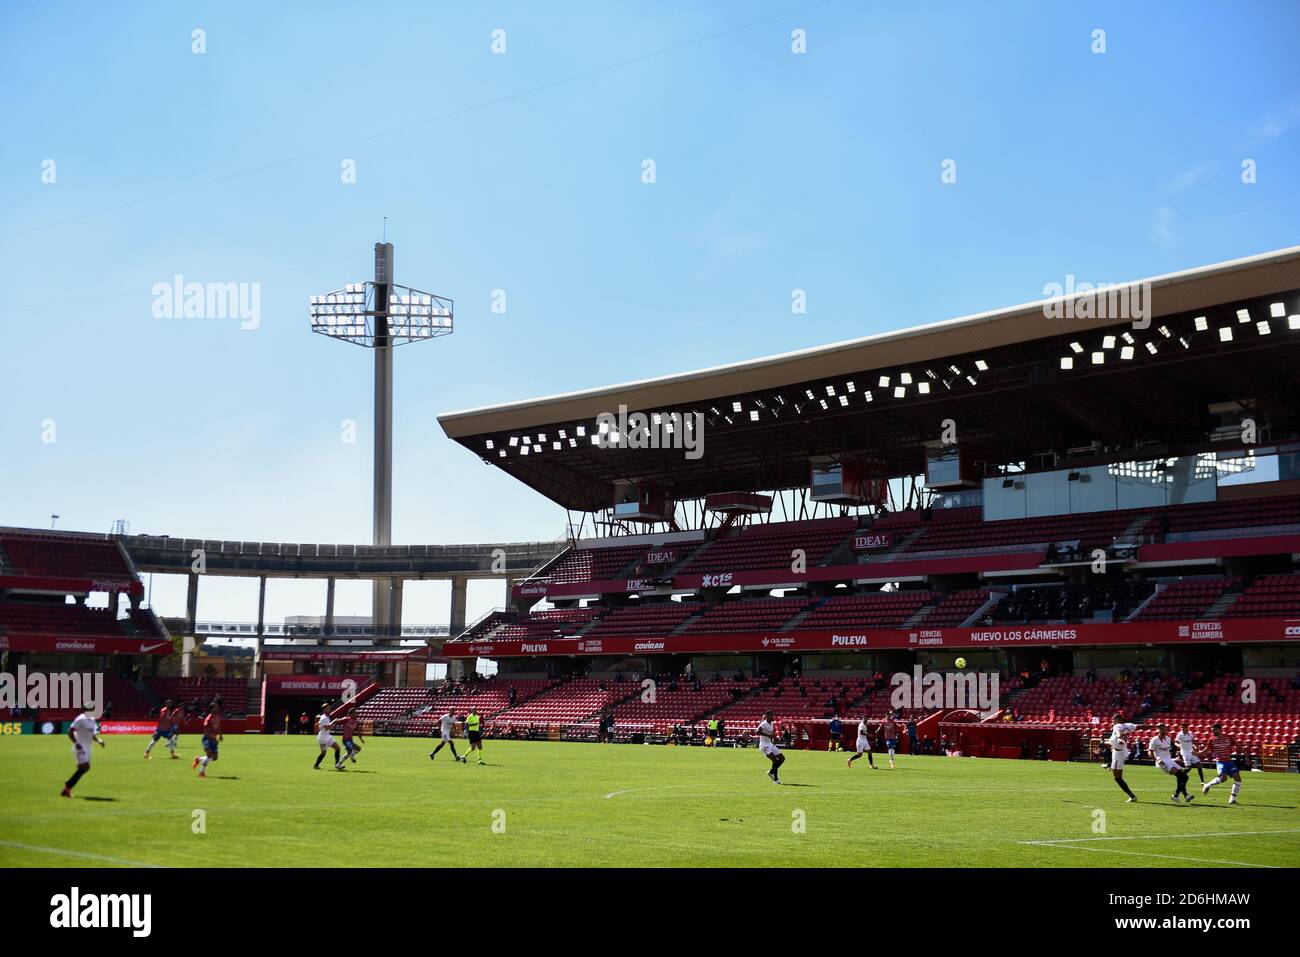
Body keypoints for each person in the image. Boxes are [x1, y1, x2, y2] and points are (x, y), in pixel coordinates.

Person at [61, 710, 105, 797]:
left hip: (88, 748)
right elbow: (69, 731)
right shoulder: (80, 719)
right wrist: (76, 743)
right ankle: (67, 787)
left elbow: (91, 734)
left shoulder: (92, 720)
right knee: (85, 767)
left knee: (82, 769)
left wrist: (98, 741)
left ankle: (67, 787)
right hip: (80, 748)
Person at [1200, 723, 1243, 805]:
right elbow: (1206, 751)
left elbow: (1237, 744)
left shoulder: (1228, 737)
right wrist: (1197, 753)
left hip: (1229, 762)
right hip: (1220, 762)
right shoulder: (1212, 739)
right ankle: (1208, 785)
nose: (1212, 732)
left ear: (1219, 729)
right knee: (1224, 778)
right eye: (1211, 730)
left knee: (1238, 779)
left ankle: (1232, 800)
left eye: (1214, 730)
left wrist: (1245, 755)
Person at [1149, 724, 1193, 803]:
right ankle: (1180, 795)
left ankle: (1179, 795)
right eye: (1161, 729)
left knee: (1184, 776)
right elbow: (1150, 752)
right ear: (1158, 730)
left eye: (1164, 729)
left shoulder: (1168, 738)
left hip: (1169, 760)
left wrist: (1175, 757)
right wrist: (1156, 760)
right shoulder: (1154, 740)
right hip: (1162, 762)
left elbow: (1168, 751)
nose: (1163, 730)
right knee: (1182, 776)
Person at [1107, 712, 1139, 802]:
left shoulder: (1117, 726)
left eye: (1113, 720)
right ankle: (1109, 764)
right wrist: (1153, 727)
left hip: (1118, 753)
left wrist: (1119, 737)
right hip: (1121, 750)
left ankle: (1132, 796)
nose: (1113, 722)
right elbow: (1139, 727)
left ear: (1118, 719)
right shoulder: (1128, 725)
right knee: (1117, 775)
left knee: (1117, 777)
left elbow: (1118, 732)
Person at [193, 700, 223, 778]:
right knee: (209, 755)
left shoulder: (218, 716)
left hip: (213, 738)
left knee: (215, 757)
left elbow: (219, 726)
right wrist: (213, 737)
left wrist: (220, 735)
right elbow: (205, 731)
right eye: (215, 707)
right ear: (212, 709)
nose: (217, 707)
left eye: (217, 706)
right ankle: (201, 772)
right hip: (207, 739)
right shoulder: (208, 718)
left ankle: (199, 759)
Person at [756, 711, 784, 784]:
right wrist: (768, 736)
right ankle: (776, 779)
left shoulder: (771, 723)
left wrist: (774, 738)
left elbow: (772, 733)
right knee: (774, 759)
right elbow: (757, 732)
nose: (773, 717)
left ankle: (771, 771)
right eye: (772, 716)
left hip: (770, 744)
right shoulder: (763, 724)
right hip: (764, 745)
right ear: (767, 716)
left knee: (782, 758)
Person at [314, 704, 343, 770]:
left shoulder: (326, 717)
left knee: (337, 748)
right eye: (328, 708)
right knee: (324, 753)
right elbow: (326, 728)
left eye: (329, 708)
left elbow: (327, 728)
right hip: (323, 738)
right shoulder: (323, 718)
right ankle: (316, 765)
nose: (329, 709)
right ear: (324, 709)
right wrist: (334, 722)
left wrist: (332, 725)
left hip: (327, 736)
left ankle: (337, 764)